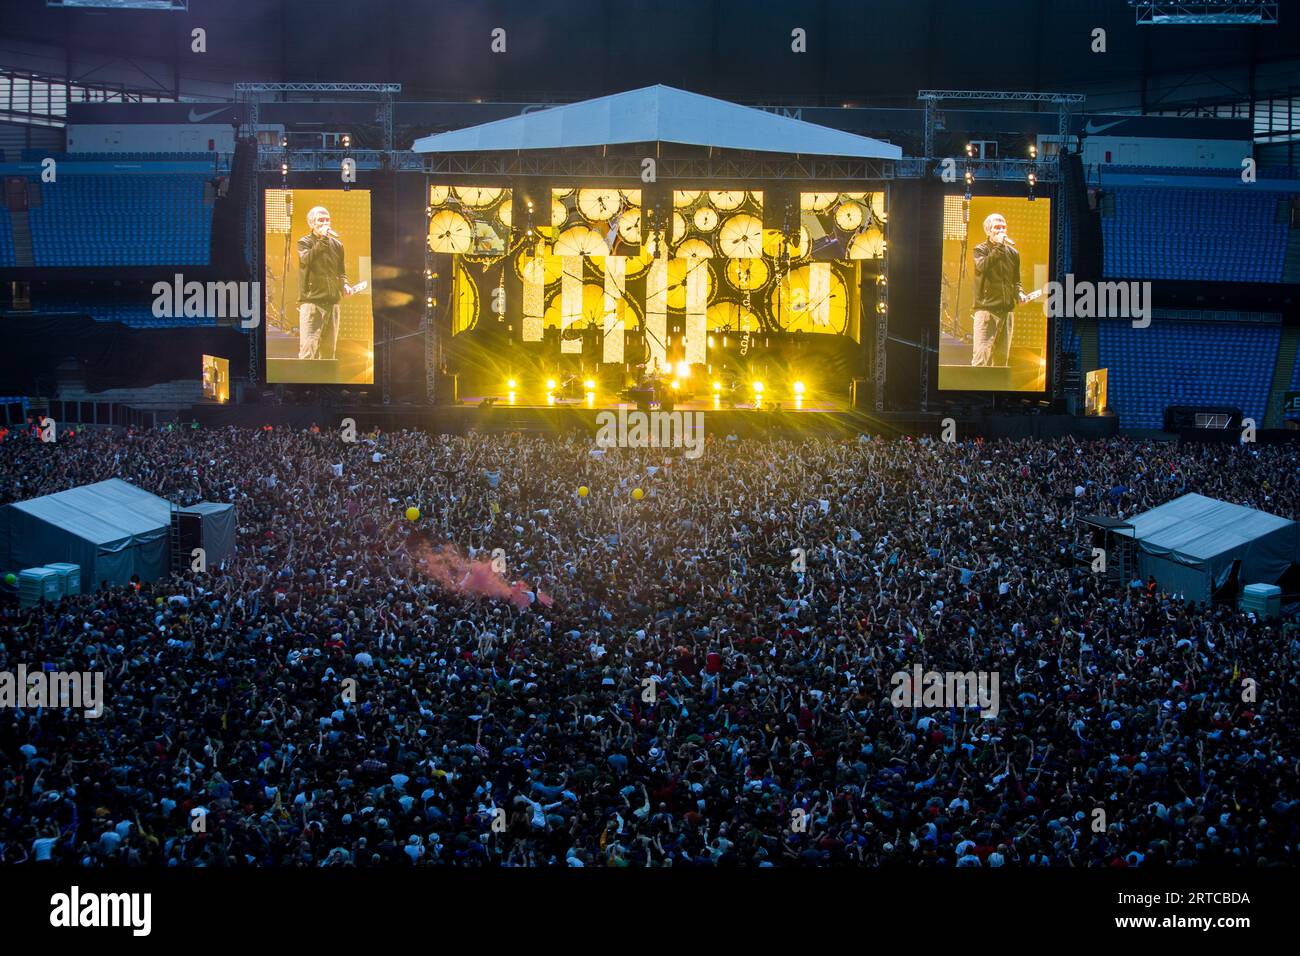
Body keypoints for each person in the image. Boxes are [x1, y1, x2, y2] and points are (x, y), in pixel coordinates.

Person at [297, 206, 359, 360]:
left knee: (328, 353)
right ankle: (303, 384)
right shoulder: (304, 242)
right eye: (320, 220)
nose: (325, 223)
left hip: (332, 304)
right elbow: (307, 260)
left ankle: (324, 384)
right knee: (308, 351)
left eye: (327, 220)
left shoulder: (337, 245)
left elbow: (341, 272)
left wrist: (344, 285)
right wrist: (323, 239)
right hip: (312, 303)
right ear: (312, 223)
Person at [971, 213, 1030, 367]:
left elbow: (1016, 281)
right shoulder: (980, 250)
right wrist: (998, 246)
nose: (1002, 230)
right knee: (981, 358)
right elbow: (983, 266)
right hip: (986, 311)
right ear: (988, 230)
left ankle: (996, 391)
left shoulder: (1013, 253)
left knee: (1001, 360)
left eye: (1004, 227)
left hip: (1007, 312)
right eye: (997, 227)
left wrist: (1020, 294)